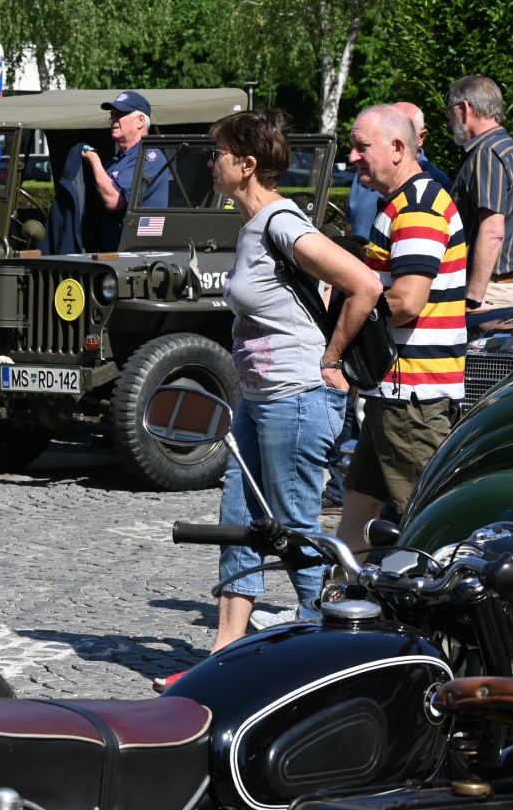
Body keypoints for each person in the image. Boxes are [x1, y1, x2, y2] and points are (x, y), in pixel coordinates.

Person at [172, 110, 382, 676]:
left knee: (293, 526)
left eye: (217, 153)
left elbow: (364, 284)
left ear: (246, 165)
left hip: (295, 397)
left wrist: (332, 357)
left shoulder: (281, 223)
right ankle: (223, 654)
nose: (210, 162)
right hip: (260, 400)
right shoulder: (251, 226)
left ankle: (331, 653)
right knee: (238, 519)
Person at [336, 104, 467, 555]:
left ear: (397, 148)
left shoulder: (417, 206)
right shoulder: (405, 203)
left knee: (431, 523)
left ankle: (453, 621)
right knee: (358, 505)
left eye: (360, 146)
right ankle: (333, 603)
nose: (352, 157)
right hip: (396, 392)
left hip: (411, 395)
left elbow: (406, 302)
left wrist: (350, 319)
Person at [447, 75, 513, 312]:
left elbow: (493, 230)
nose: (449, 121)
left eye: (449, 112)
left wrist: (472, 299)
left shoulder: (486, 153)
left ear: (464, 108)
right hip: (500, 286)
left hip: (485, 291)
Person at [346, 102, 451, 240]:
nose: (353, 158)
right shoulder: (366, 171)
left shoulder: (426, 193)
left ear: (421, 137)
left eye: (404, 128)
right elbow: (351, 222)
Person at [81, 90, 169, 249]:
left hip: (139, 254)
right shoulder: (117, 160)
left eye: (119, 114)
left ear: (140, 121)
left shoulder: (150, 156)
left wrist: (94, 160)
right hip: (113, 251)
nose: (112, 119)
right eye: (112, 114)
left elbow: (114, 201)